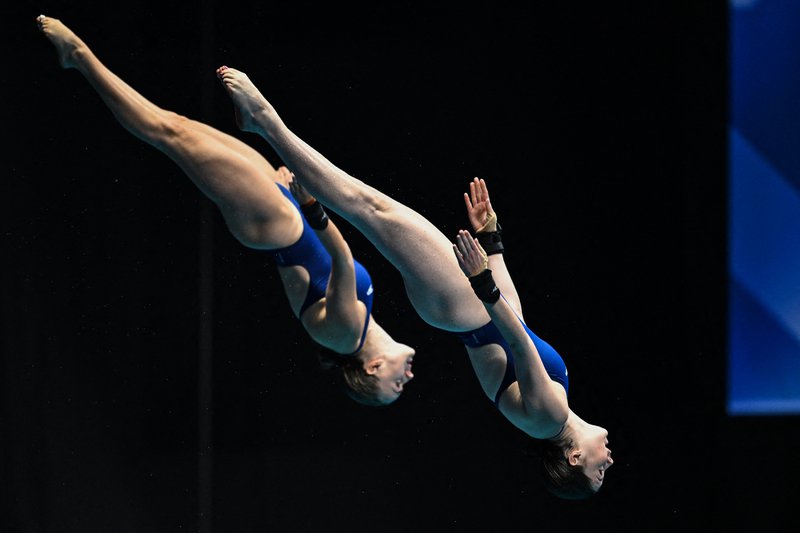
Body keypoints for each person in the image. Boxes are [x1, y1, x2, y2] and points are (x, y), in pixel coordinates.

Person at [216, 65, 614, 499]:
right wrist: (493, 242)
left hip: (464, 303)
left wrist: (482, 282)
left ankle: (264, 121)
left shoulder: (548, 419)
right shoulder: (554, 411)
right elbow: (518, 325)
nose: (608, 462)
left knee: (367, 207)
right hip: (466, 303)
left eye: (598, 474)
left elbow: (516, 340)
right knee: (369, 208)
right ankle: (265, 126)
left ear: (574, 459)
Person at [35, 15, 415, 407]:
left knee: (169, 135)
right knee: (176, 125)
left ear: (372, 368)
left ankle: (78, 55)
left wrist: (310, 204)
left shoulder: (344, 335)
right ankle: (252, 120)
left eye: (397, 384)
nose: (408, 376)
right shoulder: (361, 324)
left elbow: (340, 257)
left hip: (277, 225)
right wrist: (298, 202)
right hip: (288, 215)